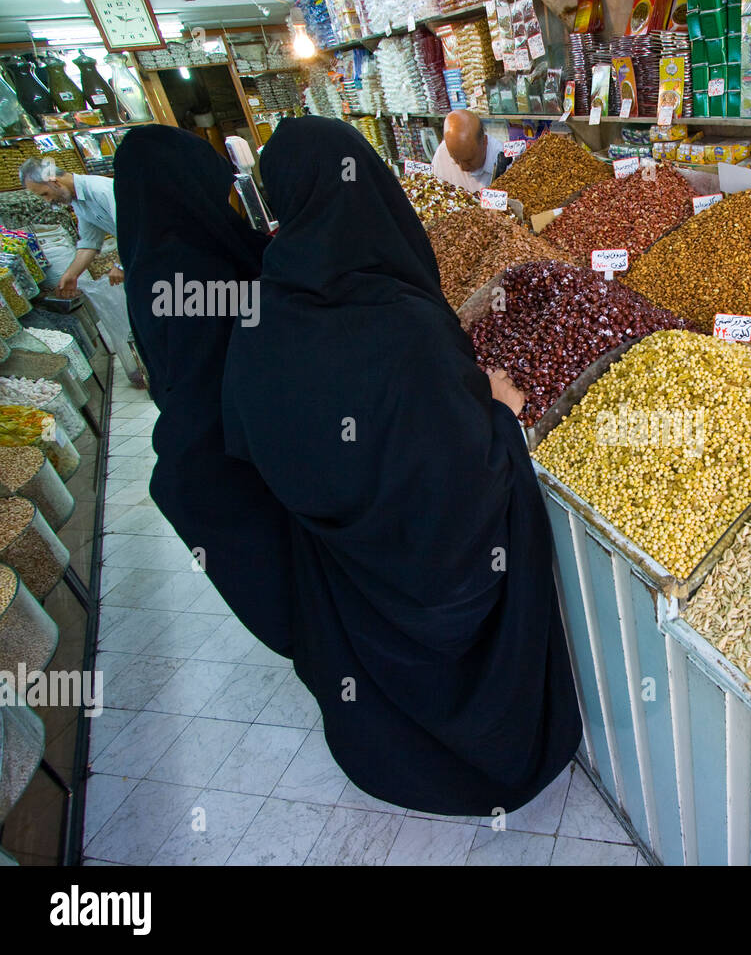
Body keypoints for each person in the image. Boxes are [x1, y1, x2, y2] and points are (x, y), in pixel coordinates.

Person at [222, 115, 581, 814]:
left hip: (349, 572)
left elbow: (256, 442)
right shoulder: (401, 318)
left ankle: (401, 759)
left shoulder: (262, 314)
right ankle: (494, 760)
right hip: (437, 572)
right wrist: (496, 411)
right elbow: (456, 473)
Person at [112, 125, 295, 658]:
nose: (224, 206)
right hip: (241, 461)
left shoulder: (154, 255)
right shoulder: (187, 269)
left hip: (236, 451)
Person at [18, 157, 124, 293]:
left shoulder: (101, 190)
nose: (48, 200)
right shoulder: (78, 203)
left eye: (45, 194)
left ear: (54, 182)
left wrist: (121, 265)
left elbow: (136, 230)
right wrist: (71, 275)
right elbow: (89, 242)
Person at [430, 109, 508, 193]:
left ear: (485, 142)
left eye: (469, 160)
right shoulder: (443, 152)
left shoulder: (505, 160)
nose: (463, 168)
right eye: (456, 160)